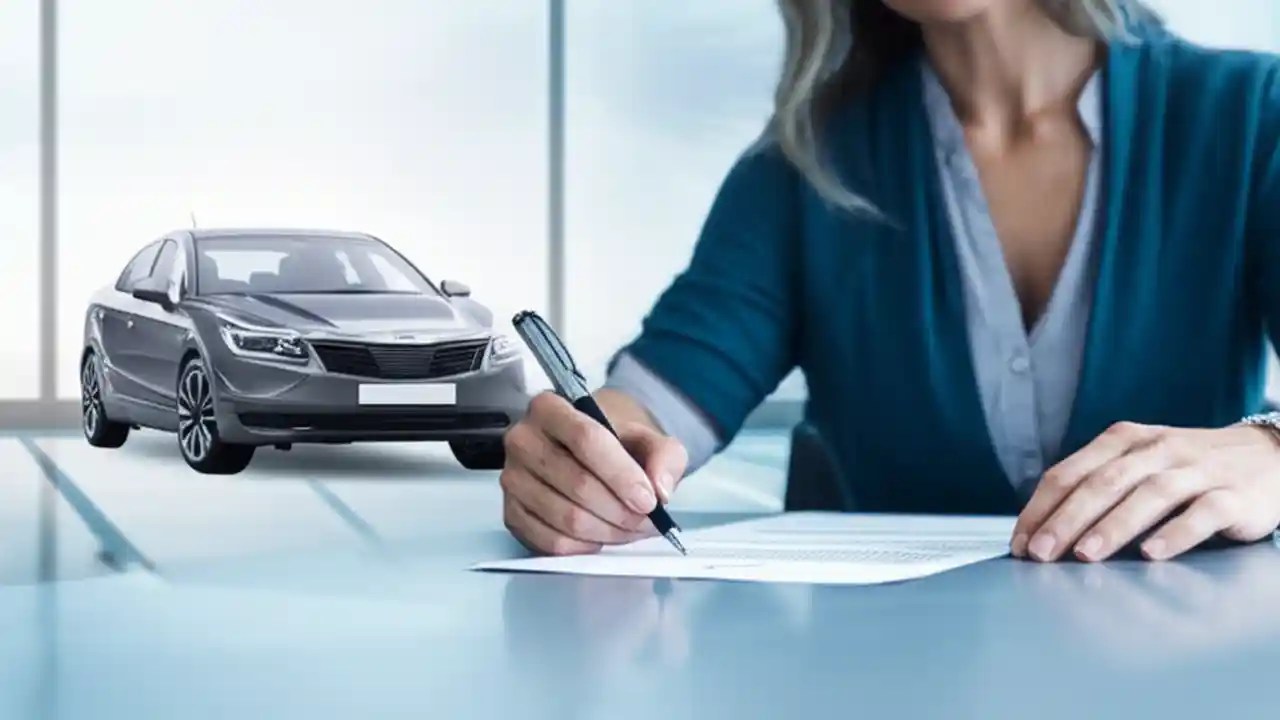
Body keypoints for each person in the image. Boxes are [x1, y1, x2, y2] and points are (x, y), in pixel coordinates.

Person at [500, 0, 1280, 563]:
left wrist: (1269, 450)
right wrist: (578, 463)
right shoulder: (802, 173)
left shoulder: (1252, 116)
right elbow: (654, 407)